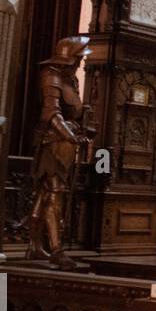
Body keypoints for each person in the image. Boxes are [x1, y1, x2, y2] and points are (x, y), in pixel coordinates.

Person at [26, 36, 94, 270]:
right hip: (53, 143)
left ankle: (35, 246)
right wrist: (70, 135)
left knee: (46, 194)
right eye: (80, 57)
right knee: (54, 194)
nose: (81, 61)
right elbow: (51, 113)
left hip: (64, 143)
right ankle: (56, 250)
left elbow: (71, 111)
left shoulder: (70, 79)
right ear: (70, 57)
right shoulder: (51, 76)